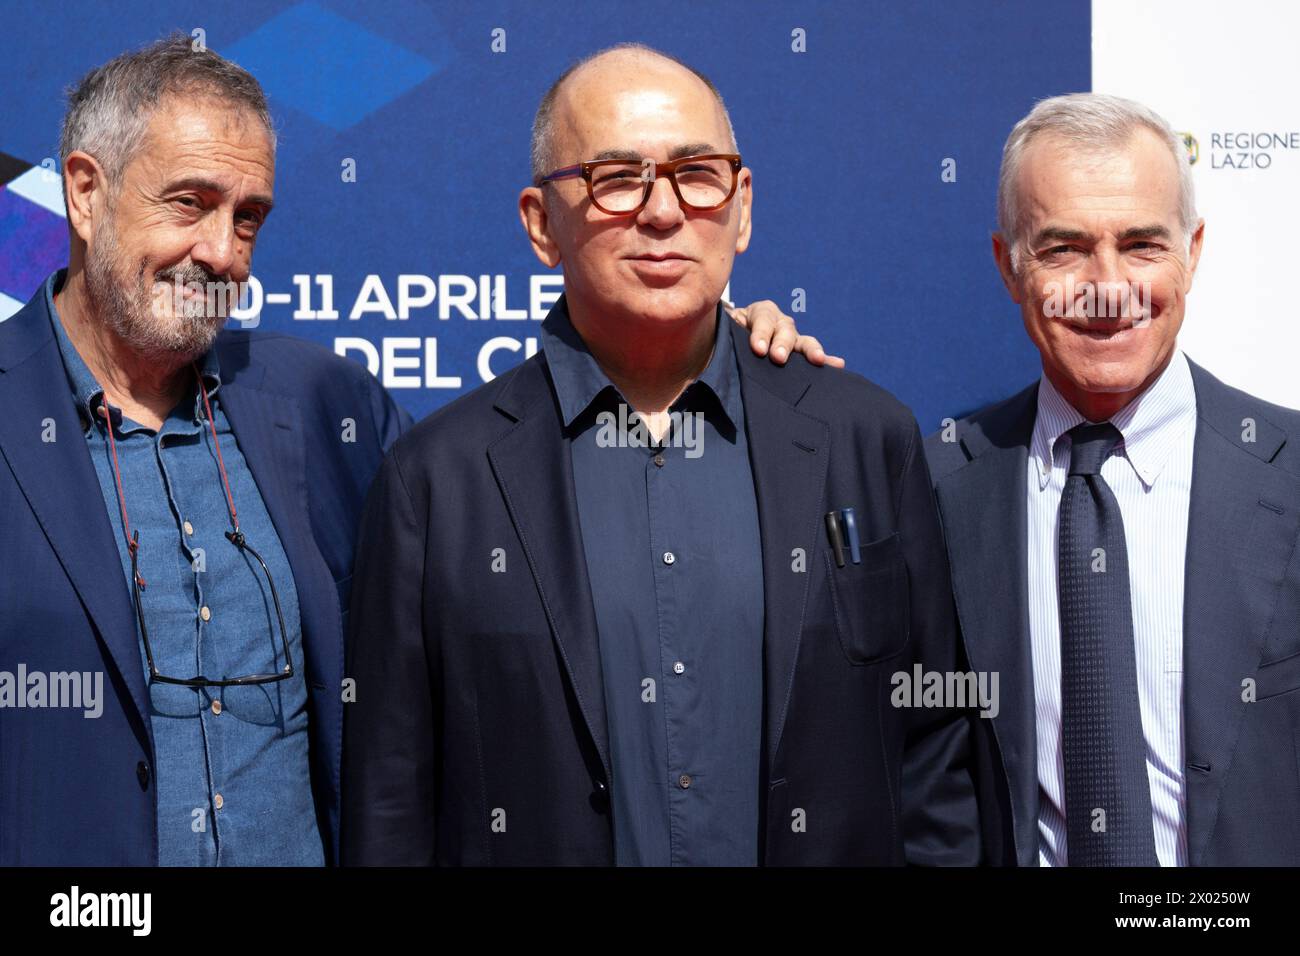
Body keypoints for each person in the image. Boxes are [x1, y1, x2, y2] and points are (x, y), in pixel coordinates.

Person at [0, 34, 831, 867]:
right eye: (189, 203)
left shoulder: (320, 405)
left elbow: (496, 503)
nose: (221, 252)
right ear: (83, 192)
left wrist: (714, 348)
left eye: (248, 217)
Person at [342, 43, 980, 866]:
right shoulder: (434, 481)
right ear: (541, 224)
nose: (663, 211)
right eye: (615, 178)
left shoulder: (867, 438)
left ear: (741, 206)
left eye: (697, 172)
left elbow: (933, 757)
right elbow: (391, 800)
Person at [926, 93, 1300, 866]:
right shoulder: (936, 488)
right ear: (1009, 266)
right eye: (1063, 249)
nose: (1106, 286)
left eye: (1141, 245)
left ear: (1192, 252)